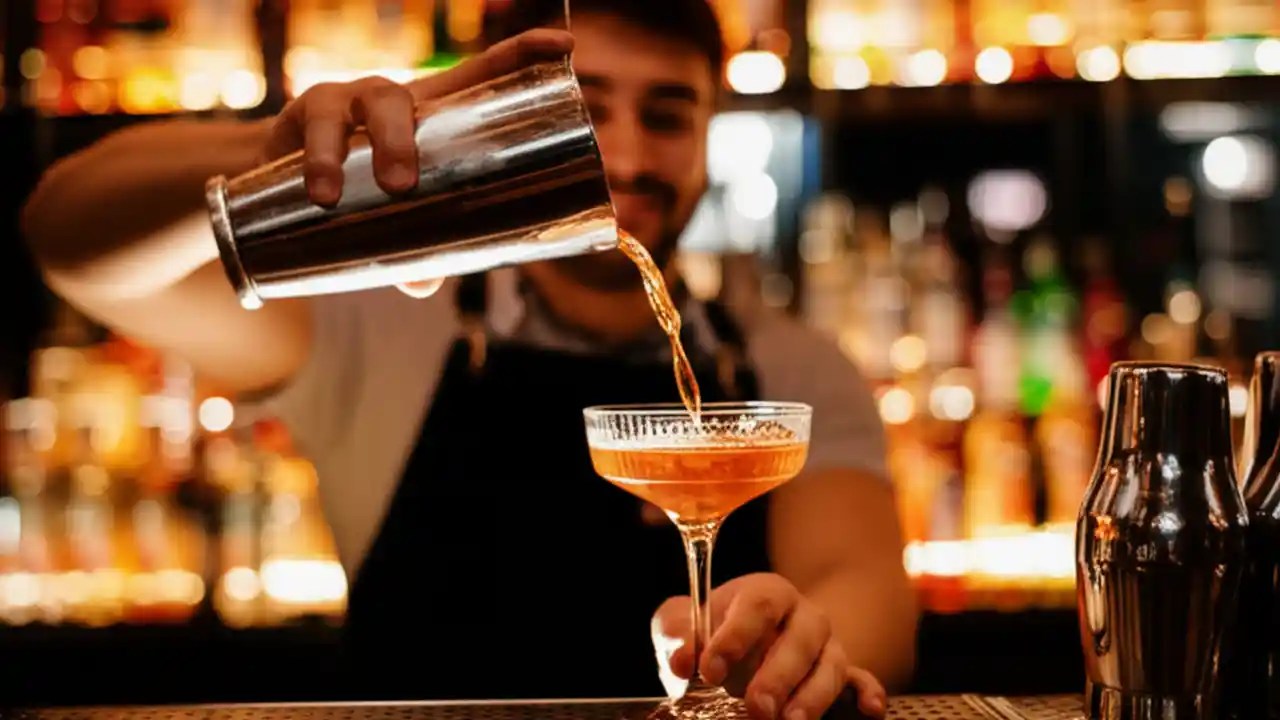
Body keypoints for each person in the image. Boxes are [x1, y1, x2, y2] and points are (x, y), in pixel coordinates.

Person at [21, 0, 917, 717]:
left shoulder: (791, 367)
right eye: (585, 109)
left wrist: (799, 645)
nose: (628, 157)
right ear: (496, 121)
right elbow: (66, 240)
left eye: (668, 115)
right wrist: (272, 159)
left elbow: (868, 585)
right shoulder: (379, 328)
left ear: (711, 137)